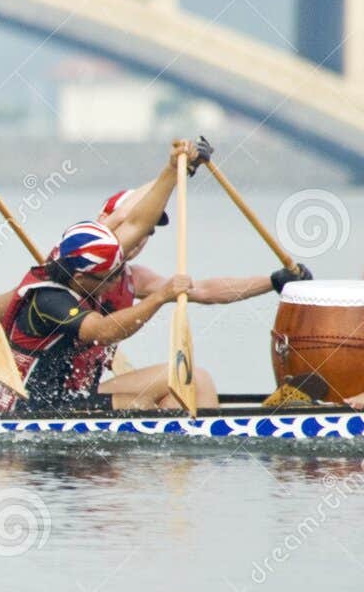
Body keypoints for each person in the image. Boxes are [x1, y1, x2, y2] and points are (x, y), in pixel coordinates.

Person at [85, 139, 310, 408]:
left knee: (188, 388)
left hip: (86, 386)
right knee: (163, 391)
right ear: (103, 220)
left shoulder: (135, 278)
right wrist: (179, 167)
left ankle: (192, 447)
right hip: (54, 397)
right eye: (139, 226)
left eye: (148, 232)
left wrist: (274, 281)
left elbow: (204, 291)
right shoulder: (77, 257)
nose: (141, 237)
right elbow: (126, 215)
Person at [0, 220, 193, 414]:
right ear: (80, 278)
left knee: (185, 379)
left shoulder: (84, 277)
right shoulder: (50, 301)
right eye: (109, 278)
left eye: (119, 273)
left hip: (72, 396)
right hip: (31, 407)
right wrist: (159, 297)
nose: (117, 282)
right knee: (138, 405)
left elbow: (131, 223)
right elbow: (102, 332)